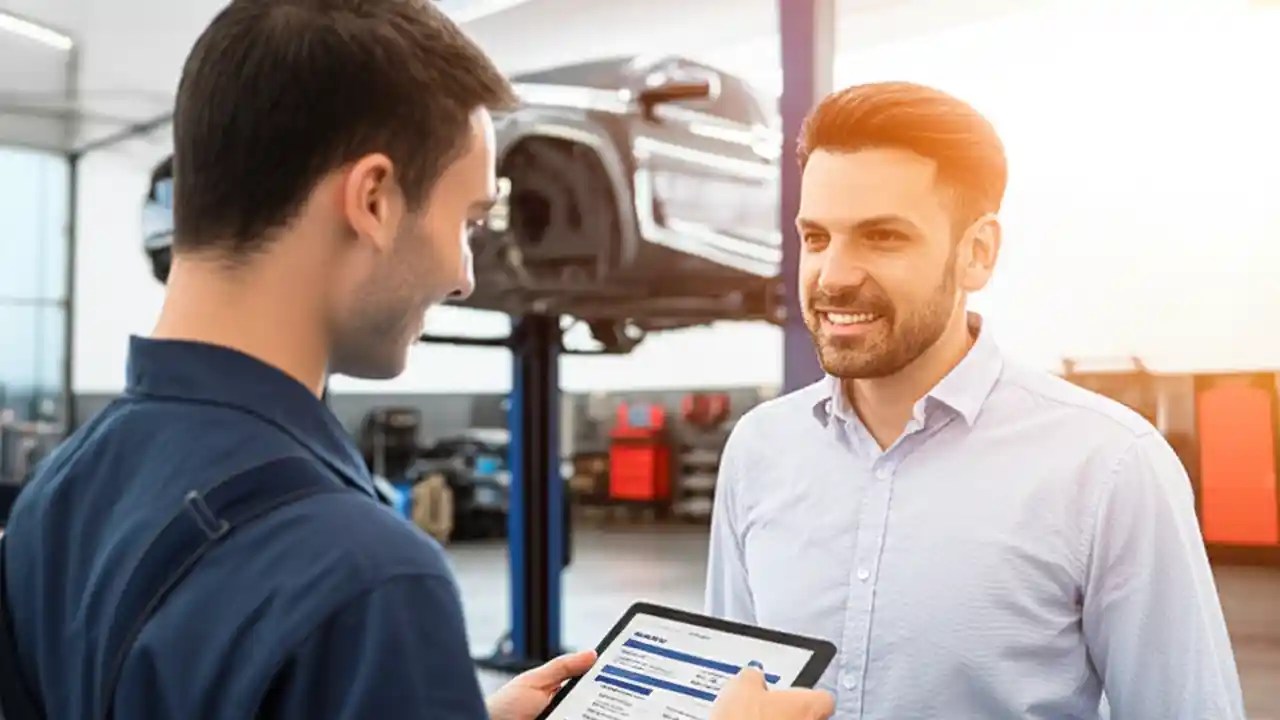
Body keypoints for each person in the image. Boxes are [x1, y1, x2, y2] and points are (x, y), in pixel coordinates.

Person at [0, 1, 833, 719]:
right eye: (469, 220)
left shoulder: (58, 495)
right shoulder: (364, 580)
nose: (466, 274)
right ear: (373, 200)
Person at [704, 81, 1246, 719]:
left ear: (977, 253)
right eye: (817, 237)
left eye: (882, 237)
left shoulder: (1109, 467)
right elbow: (729, 689)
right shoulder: (761, 448)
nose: (834, 276)